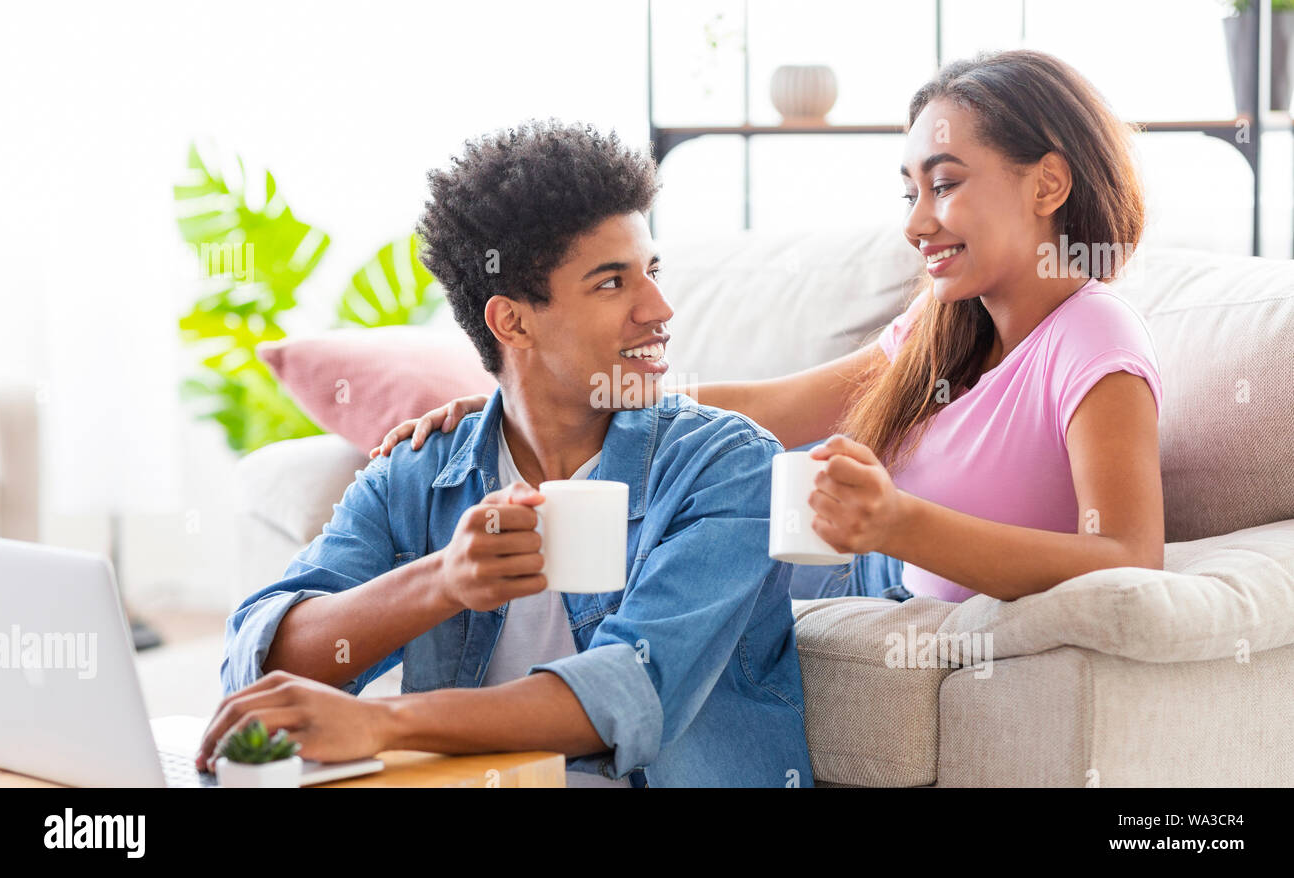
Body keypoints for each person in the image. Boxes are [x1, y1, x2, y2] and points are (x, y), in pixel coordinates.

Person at [372, 49, 1165, 604]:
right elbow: (769, 406)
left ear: (1049, 184)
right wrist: (514, 412)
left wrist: (899, 522)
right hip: (833, 580)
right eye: (909, 193)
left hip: (866, 583)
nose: (918, 222)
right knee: (640, 488)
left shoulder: (1092, 337)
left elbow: (1130, 558)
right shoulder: (941, 328)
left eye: (946, 185)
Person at [199, 119, 814, 788]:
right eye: (612, 283)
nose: (659, 308)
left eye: (653, 272)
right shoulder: (421, 472)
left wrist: (386, 724)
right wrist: (440, 581)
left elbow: (629, 691)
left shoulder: (724, 466)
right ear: (511, 321)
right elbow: (262, 666)